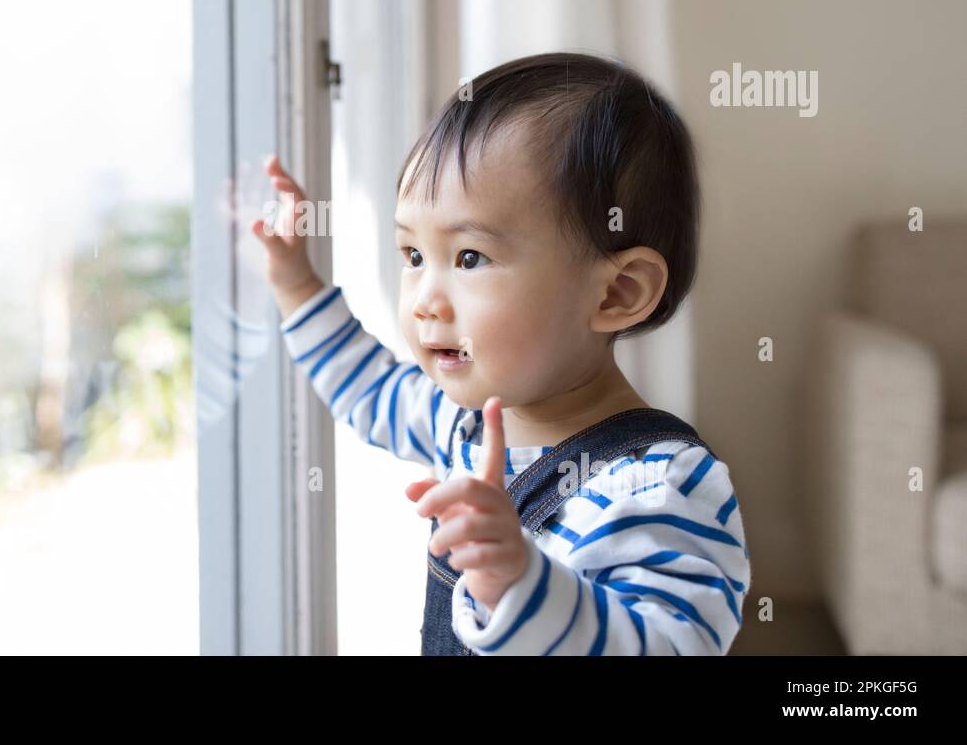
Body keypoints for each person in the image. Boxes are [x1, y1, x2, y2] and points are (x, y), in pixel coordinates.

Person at [251, 52, 750, 655]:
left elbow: (673, 648)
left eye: (469, 258)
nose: (424, 303)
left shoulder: (659, 485)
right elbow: (368, 390)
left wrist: (525, 586)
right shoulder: (460, 423)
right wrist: (294, 282)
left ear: (618, 291)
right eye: (412, 255)